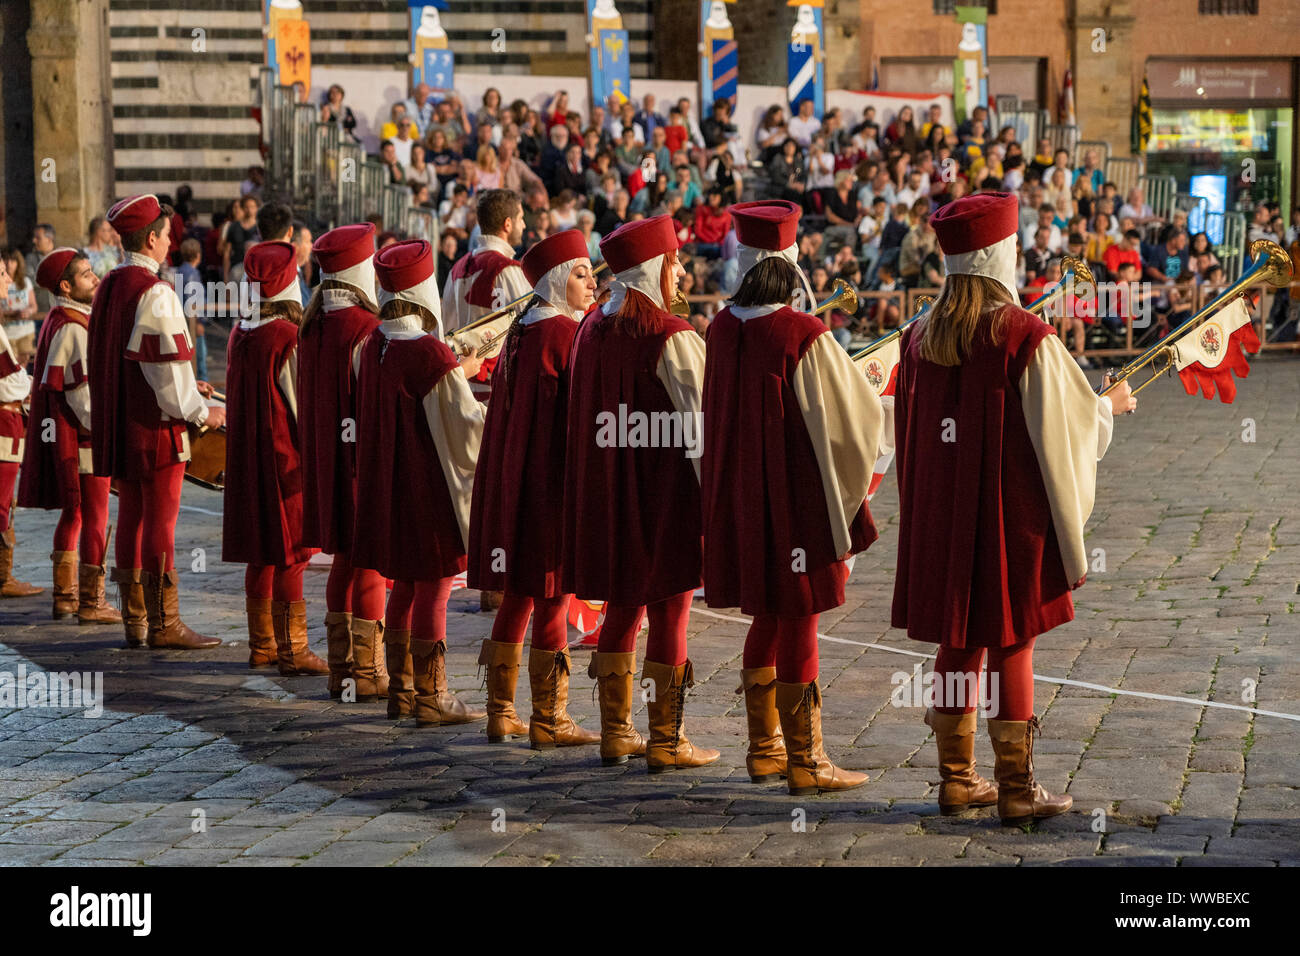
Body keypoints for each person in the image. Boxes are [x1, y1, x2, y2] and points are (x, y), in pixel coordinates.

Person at [892, 192, 1137, 825]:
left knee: (958, 640)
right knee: (1013, 643)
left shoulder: (919, 335)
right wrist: (1109, 407)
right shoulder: (1024, 333)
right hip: (1007, 514)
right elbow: (1069, 425)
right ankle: (1017, 788)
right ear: (1002, 254)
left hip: (944, 515)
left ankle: (955, 779)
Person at [702, 200, 882, 793]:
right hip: (795, 494)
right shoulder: (804, 331)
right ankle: (806, 759)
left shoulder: (722, 326)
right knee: (800, 615)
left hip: (743, 494)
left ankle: (764, 748)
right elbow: (850, 421)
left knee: (767, 616)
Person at [564, 216, 720, 773]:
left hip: (607, 490)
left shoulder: (589, 328)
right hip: (664, 494)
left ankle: (614, 731)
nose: (680, 271)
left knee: (623, 606)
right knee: (671, 610)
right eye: (674, 261)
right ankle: (665, 737)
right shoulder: (671, 336)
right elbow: (703, 426)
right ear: (655, 267)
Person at [467, 229, 601, 749]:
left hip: (516, 479)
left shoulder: (524, 329)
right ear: (556, 279)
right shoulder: (564, 336)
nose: (592, 282)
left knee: (519, 595)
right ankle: (550, 717)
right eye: (581, 272)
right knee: (552, 595)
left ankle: (500, 711)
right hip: (550, 483)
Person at [352, 239, 487, 728]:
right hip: (427, 487)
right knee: (435, 587)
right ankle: (433, 695)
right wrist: (476, 390)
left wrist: (456, 368)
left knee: (405, 585)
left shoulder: (375, 343)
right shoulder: (430, 353)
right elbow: (465, 426)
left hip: (390, 485)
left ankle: (402, 688)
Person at [87, 194, 226, 650]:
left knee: (131, 517)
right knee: (162, 524)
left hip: (122, 421)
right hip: (156, 425)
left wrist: (191, 383)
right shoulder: (156, 292)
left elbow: (134, 359)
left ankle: (135, 619)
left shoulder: (108, 283)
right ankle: (164, 623)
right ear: (151, 239)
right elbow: (164, 373)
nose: (171, 243)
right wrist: (202, 411)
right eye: (167, 236)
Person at [223, 242, 326, 676]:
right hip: (284, 457)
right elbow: (301, 403)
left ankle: (261, 643)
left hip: (248, 456)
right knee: (291, 553)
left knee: (259, 551)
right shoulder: (287, 336)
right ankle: (293, 649)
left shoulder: (240, 332)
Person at [298, 224, 391, 704]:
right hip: (361, 463)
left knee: (343, 564)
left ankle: (342, 671)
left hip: (327, 460)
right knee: (370, 565)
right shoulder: (365, 329)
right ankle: (369, 670)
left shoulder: (311, 324)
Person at [16, 249, 118, 621]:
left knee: (74, 515)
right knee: (93, 516)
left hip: (71, 437)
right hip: (85, 440)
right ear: (66, 285)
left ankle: (65, 597)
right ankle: (91, 602)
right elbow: (81, 394)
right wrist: (106, 430)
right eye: (86, 275)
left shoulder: (59, 318)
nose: (94, 279)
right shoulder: (74, 325)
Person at [440, 189, 531, 402]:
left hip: (463, 387)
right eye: (521, 218)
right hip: (499, 389)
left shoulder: (457, 268)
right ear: (508, 224)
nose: (524, 225)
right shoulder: (508, 269)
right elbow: (530, 329)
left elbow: (447, 331)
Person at [0, 261, 42, 599]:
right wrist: (33, 385)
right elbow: (9, 380)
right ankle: (2, 576)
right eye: (1, 274)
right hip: (3, 422)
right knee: (1, 501)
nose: (9, 280)